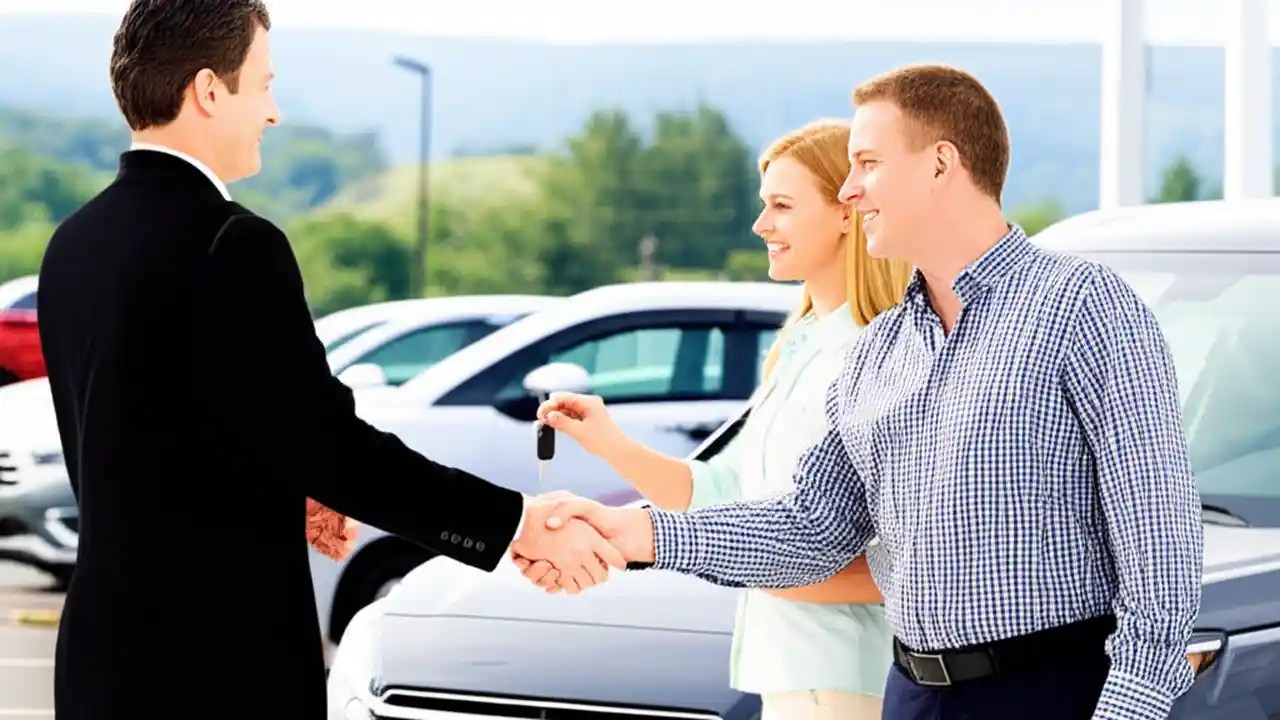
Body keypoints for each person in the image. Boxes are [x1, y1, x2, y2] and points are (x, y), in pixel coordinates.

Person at [534, 64, 1204, 720]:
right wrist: (636, 532)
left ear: (941, 165)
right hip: (910, 694)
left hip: (1049, 694)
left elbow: (1162, 560)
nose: (850, 190)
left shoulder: (1084, 307)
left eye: (868, 163)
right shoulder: (876, 352)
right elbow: (811, 528)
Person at [36, 2, 621, 717]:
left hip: (98, 661)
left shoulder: (72, 244)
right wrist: (516, 523)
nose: (273, 112)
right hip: (215, 669)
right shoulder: (234, 244)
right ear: (209, 90)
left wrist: (297, 481)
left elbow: (158, 436)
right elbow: (331, 447)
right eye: (264, 85)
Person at [522, 120, 912, 719]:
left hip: (845, 681)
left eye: (782, 205)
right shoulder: (801, 344)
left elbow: (898, 561)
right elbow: (718, 493)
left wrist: (706, 553)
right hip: (793, 676)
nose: (761, 225)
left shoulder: (873, 354)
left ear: (846, 211)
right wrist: (609, 444)